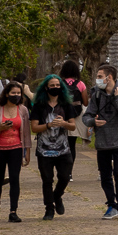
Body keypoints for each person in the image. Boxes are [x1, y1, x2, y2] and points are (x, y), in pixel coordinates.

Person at [82, 64, 118, 219]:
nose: (97, 79)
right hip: (102, 141)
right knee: (105, 175)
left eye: (100, 76)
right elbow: (86, 117)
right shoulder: (96, 94)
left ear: (109, 77)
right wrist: (93, 122)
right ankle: (111, 205)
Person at [30, 74, 82, 219]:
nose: (55, 88)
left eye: (58, 85)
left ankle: (57, 196)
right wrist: (48, 125)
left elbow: (73, 126)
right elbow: (34, 127)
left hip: (63, 149)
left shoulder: (66, 104)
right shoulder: (39, 105)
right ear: (46, 88)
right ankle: (49, 208)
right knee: (47, 180)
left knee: (65, 177)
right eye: (52, 85)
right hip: (44, 150)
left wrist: (63, 123)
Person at [0, 81, 30, 222]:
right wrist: (0, 128)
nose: (16, 95)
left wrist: (27, 151)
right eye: (13, 93)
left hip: (16, 148)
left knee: (14, 178)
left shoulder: (23, 110)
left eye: (18, 93)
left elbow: (26, 132)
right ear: (6, 94)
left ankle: (13, 211)